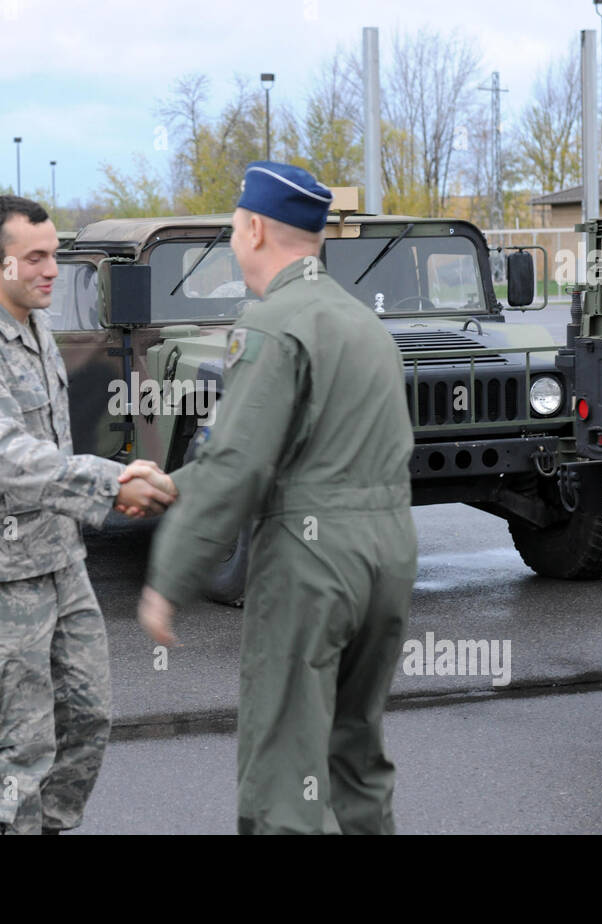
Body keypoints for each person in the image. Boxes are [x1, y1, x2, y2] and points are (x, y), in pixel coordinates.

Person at [126, 161, 417, 834]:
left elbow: (240, 463)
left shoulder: (272, 324)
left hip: (314, 564)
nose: (232, 241)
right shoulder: (363, 324)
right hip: (388, 556)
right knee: (356, 760)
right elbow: (302, 452)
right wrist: (174, 485)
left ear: (255, 228)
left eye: (232, 227)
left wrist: (168, 580)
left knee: (284, 776)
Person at [0, 195, 173, 835]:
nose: (51, 271)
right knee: (15, 758)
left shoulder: (35, 328)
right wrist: (112, 480)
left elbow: (47, 451)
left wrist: (114, 480)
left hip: (60, 566)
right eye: (34, 258)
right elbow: (5, 456)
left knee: (88, 722)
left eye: (54, 256)